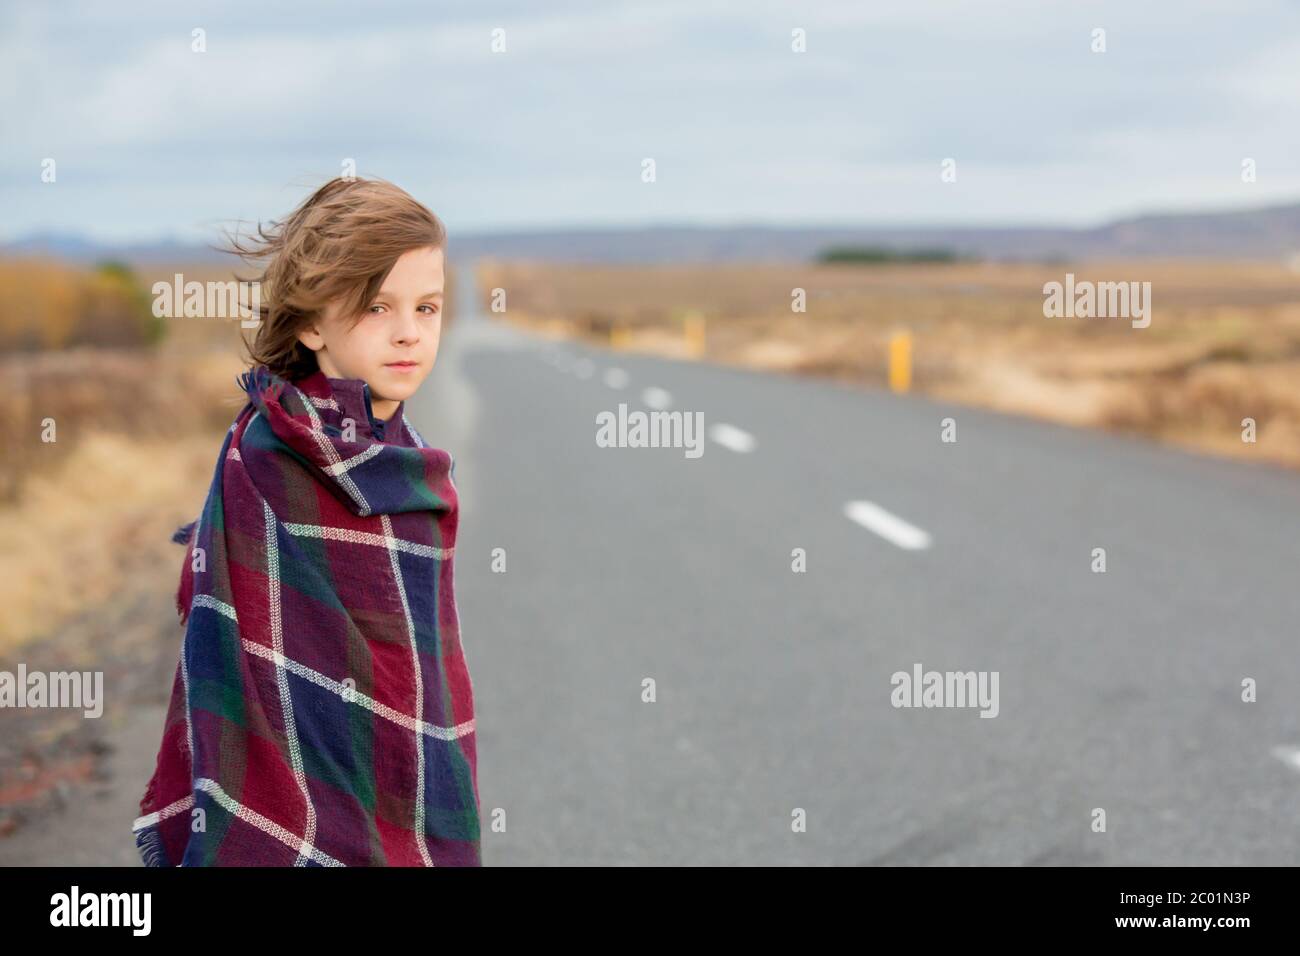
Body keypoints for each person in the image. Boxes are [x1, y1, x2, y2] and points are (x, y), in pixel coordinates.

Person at [132, 176, 480, 866]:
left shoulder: (408, 464)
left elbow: (419, 673)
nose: (410, 331)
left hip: (407, 769)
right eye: (377, 306)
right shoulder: (267, 456)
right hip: (288, 793)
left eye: (428, 306)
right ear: (312, 322)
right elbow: (237, 648)